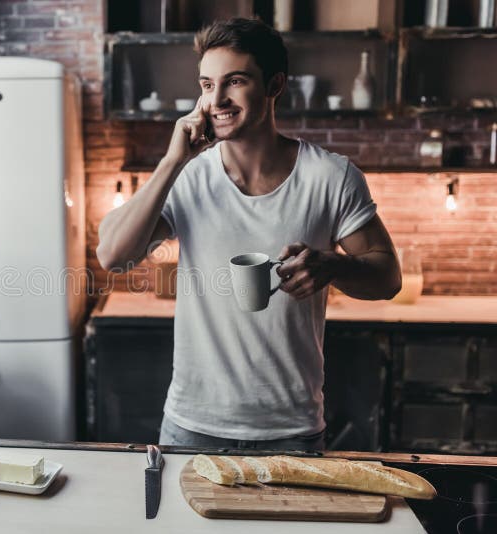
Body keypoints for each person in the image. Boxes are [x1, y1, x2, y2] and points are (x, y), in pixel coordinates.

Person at [95, 18, 401, 450]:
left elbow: (387, 278)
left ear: (275, 85)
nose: (216, 99)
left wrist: (333, 265)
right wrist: (170, 162)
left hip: (292, 430)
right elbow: (113, 255)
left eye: (234, 81)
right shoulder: (188, 176)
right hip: (192, 425)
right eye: (206, 85)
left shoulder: (331, 176)